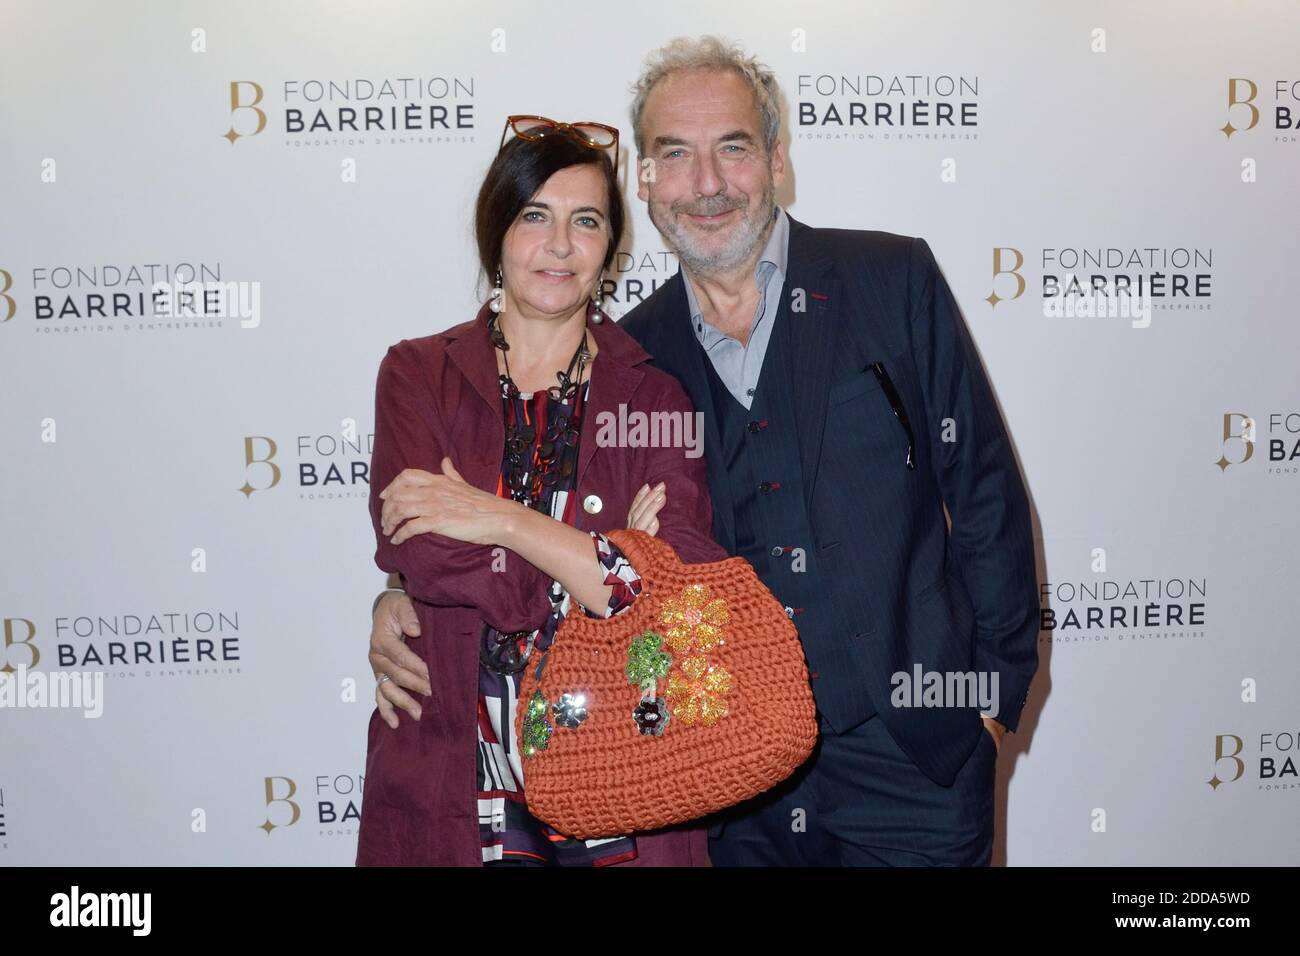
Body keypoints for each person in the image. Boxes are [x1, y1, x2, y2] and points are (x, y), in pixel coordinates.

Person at [371, 36, 1039, 866]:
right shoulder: (640, 350)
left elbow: (980, 488)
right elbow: (607, 569)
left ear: (777, 159)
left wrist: (989, 702)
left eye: (732, 147)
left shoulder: (889, 279)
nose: (708, 183)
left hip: (915, 757)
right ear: (646, 184)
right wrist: (404, 591)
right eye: (674, 156)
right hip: (724, 773)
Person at [355, 115, 741, 866]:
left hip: (625, 782)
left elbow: (670, 592)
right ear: (497, 231)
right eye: (536, 216)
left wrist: (494, 518)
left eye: (585, 221)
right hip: (453, 784)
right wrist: (598, 566)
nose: (559, 245)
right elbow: (427, 553)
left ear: (609, 250)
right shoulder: (416, 375)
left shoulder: (654, 397)